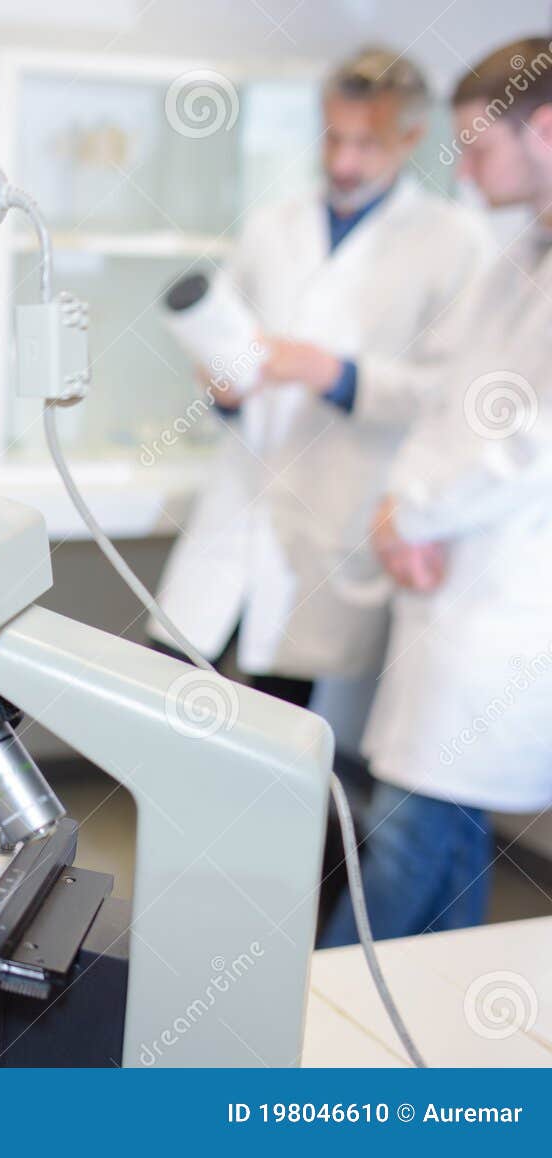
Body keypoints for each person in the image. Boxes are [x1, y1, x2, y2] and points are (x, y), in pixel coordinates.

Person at [150, 47, 493, 711]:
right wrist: (223, 389)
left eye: (367, 144)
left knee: (282, 722)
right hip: (237, 504)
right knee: (163, 691)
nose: (343, 162)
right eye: (334, 138)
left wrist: (336, 373)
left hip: (335, 518)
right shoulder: (271, 225)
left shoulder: (456, 241)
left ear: (411, 138)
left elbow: (451, 394)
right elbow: (230, 347)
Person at [320, 37, 552, 946]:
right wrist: (398, 514)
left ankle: (319, 1014)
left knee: (411, 836)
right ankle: (425, 1024)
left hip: (505, 601)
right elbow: (446, 402)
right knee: (441, 844)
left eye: (481, 146)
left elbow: (530, 448)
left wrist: (412, 514)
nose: (465, 168)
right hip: (447, 577)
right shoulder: (517, 256)